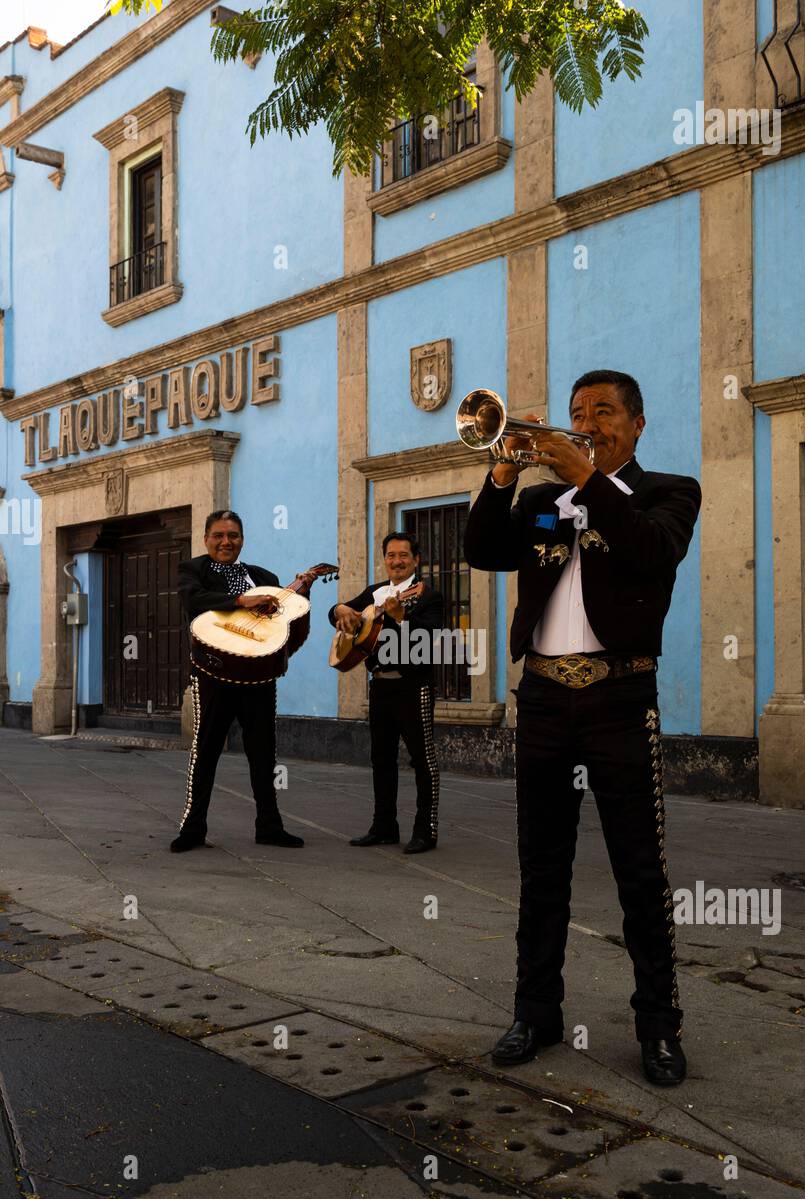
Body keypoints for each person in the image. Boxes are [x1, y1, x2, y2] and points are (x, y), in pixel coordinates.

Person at [463, 370, 701, 1085]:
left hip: (619, 697)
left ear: (636, 424)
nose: (587, 423)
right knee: (541, 867)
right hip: (542, 697)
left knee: (639, 870)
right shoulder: (543, 501)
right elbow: (482, 549)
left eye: (602, 412)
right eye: (576, 413)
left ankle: (657, 1026)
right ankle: (534, 1012)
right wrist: (504, 472)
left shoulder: (668, 492)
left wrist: (587, 479)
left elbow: (650, 552)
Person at [171, 509, 304, 852]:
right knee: (205, 751)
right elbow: (193, 600)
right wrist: (241, 600)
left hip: (258, 678)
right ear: (206, 539)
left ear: (242, 540)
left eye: (233, 535)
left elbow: (282, 622)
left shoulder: (264, 577)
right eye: (218, 535)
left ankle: (269, 826)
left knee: (263, 754)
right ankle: (193, 828)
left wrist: (298, 599)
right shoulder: (193, 570)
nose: (226, 542)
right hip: (212, 675)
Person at [329, 531, 444, 854]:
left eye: (403, 555)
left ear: (416, 560)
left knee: (423, 759)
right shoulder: (374, 592)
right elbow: (338, 613)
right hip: (380, 685)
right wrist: (340, 609)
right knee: (381, 758)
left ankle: (426, 830)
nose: (396, 561)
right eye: (391, 555)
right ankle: (384, 826)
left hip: (413, 686)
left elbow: (430, 637)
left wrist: (401, 617)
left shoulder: (428, 596)